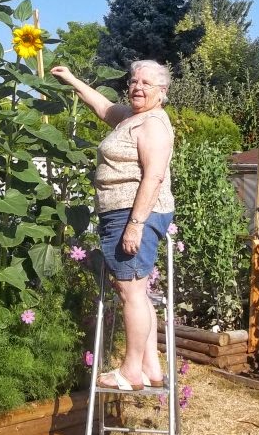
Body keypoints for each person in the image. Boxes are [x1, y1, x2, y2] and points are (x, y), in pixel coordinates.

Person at [50, 60, 174, 391]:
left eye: (147, 83)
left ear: (162, 92)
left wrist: (135, 224)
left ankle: (131, 371)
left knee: (130, 290)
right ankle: (150, 366)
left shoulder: (154, 126)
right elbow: (104, 107)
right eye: (134, 81)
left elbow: (155, 176)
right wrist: (72, 79)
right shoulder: (133, 118)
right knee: (137, 291)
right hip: (122, 212)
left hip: (133, 212)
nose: (137, 87)